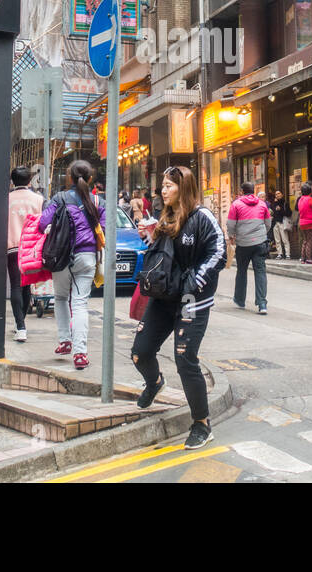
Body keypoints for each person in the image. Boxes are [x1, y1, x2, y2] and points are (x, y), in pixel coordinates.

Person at [131, 166, 225, 450]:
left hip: (190, 300)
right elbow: (163, 257)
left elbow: (219, 251)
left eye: (169, 185)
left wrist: (196, 279)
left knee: (185, 360)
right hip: (162, 298)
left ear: (183, 188)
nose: (163, 189)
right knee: (140, 352)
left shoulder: (202, 217)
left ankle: (201, 424)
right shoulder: (166, 216)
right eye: (163, 184)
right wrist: (148, 237)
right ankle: (155, 381)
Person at [37, 160, 104, 371]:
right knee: (80, 304)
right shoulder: (97, 201)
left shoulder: (59, 198)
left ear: (69, 178)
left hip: (60, 255)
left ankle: (65, 341)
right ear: (91, 178)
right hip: (86, 256)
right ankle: (80, 354)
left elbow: (42, 224)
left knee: (61, 298)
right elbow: (105, 230)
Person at [7, 166, 42, 343]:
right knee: (26, 285)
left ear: (12, 181)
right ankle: (21, 323)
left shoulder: (6, 199)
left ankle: (20, 326)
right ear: (30, 181)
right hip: (32, 248)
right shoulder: (38, 200)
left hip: (12, 247)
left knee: (15, 285)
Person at [227, 182, 269, 315]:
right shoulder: (262, 204)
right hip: (260, 242)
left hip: (243, 243)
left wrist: (232, 235)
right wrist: (261, 234)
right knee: (260, 271)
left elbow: (231, 224)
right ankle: (262, 304)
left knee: (241, 270)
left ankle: (240, 300)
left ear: (241, 191)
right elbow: (268, 223)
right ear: (253, 191)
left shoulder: (236, 205)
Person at [297, 182, 312, 263]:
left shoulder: (300, 199)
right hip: (311, 223)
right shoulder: (311, 199)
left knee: (305, 240)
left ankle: (303, 258)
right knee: (311, 241)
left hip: (302, 222)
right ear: (310, 191)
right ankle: (309, 258)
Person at [269, 190, 291, 259]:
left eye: (279, 193)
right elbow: (273, 213)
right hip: (275, 223)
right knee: (277, 240)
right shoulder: (274, 204)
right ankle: (280, 254)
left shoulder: (285, 203)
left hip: (282, 223)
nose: (277, 195)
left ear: (282, 194)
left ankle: (287, 254)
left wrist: (280, 209)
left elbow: (289, 213)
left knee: (285, 239)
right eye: (276, 194)